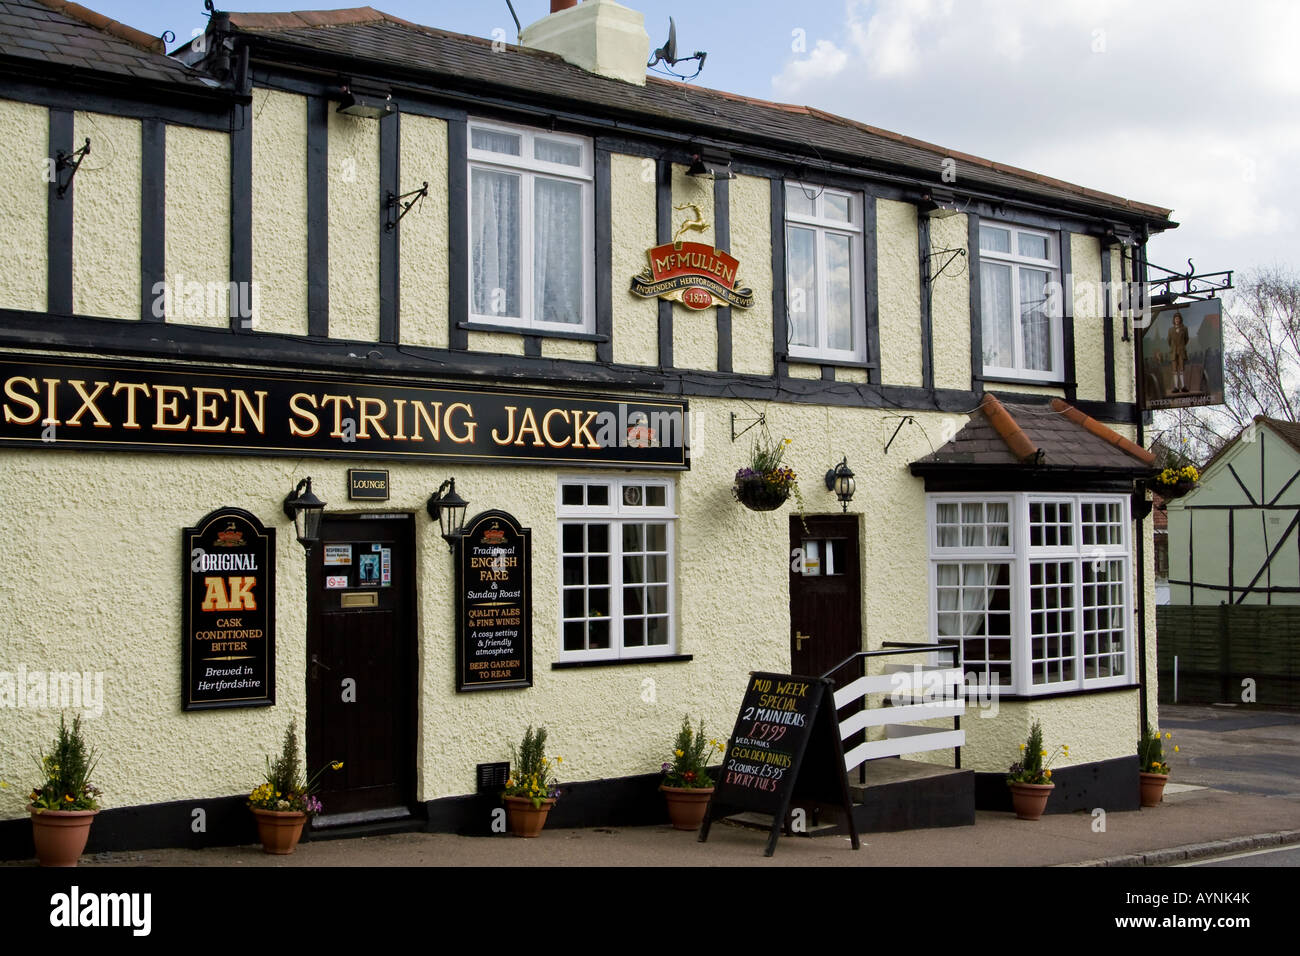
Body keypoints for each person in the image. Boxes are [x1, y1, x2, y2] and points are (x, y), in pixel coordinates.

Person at [1168, 312, 1189, 393]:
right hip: (1173, 352)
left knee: (1181, 369)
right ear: (1174, 320)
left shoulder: (1184, 329)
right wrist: (1174, 348)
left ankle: (1183, 386)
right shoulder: (1170, 330)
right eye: (1175, 319)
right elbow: (1169, 341)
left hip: (1181, 351)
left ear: (1180, 320)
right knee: (1174, 370)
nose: (1177, 320)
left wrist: (1181, 346)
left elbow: (1186, 339)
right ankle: (1176, 387)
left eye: (1178, 318)